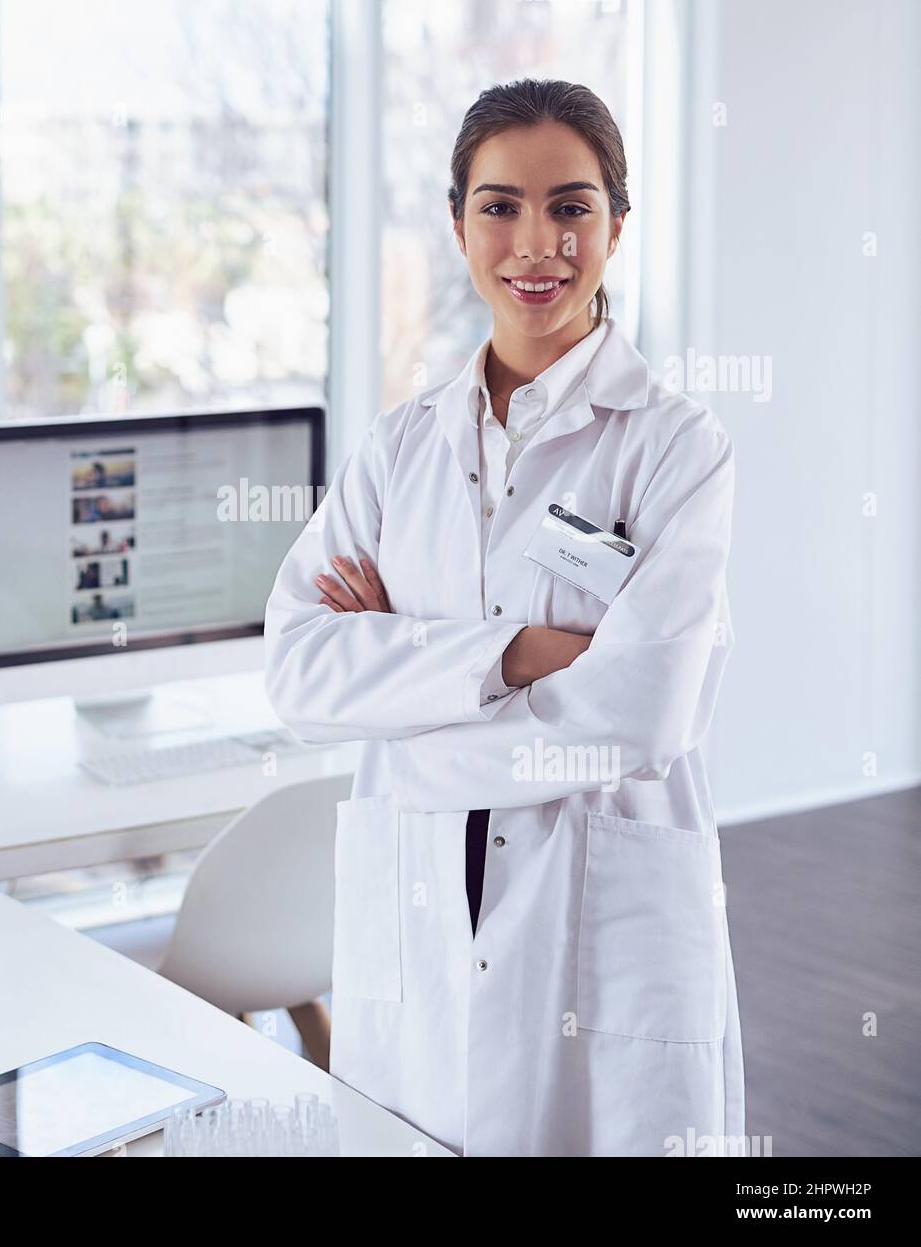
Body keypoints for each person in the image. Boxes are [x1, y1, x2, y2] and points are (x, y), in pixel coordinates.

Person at [264, 78, 743, 1157]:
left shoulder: (674, 447)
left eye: (570, 207)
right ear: (456, 222)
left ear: (615, 225)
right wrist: (522, 653)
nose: (537, 243)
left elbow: (639, 713)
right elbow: (297, 666)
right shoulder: (400, 446)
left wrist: (406, 698)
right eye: (499, 206)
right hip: (422, 888)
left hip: (601, 893)